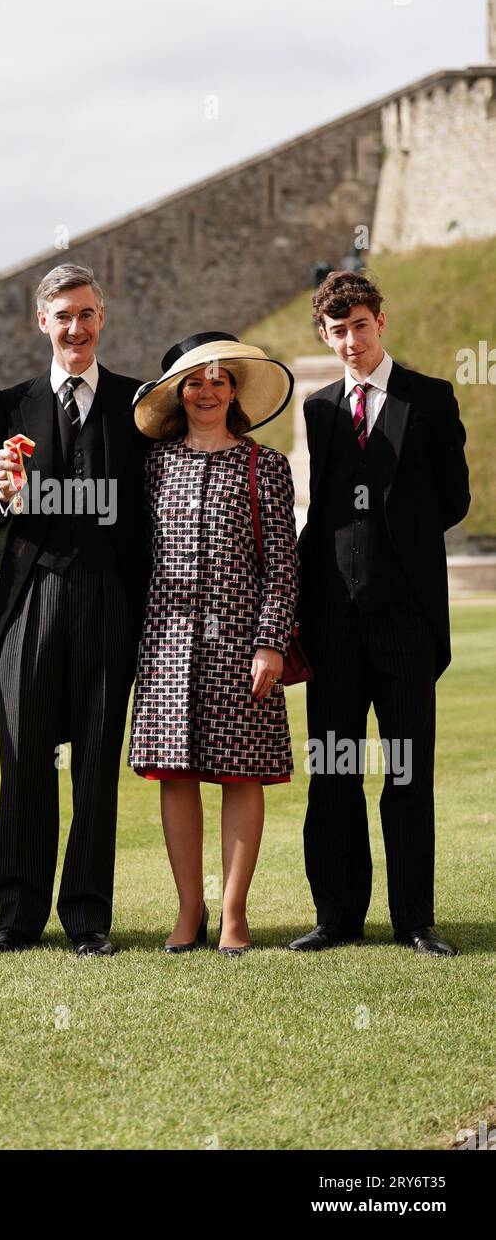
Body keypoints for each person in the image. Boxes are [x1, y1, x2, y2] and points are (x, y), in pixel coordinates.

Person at [291, 270, 470, 956]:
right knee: (333, 770)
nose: (351, 340)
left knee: (405, 771)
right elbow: (327, 505)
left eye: (360, 325)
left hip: (404, 620)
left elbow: (454, 499)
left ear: (381, 323)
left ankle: (414, 921)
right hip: (332, 619)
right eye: (337, 331)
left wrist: (398, 543)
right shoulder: (322, 408)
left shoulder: (429, 398)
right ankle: (337, 916)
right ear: (325, 336)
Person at [0, 263, 150, 955]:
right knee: (24, 761)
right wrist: (5, 496)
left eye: (85, 314)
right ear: (41, 323)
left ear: (100, 319)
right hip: (31, 601)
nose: (74, 327)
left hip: (110, 598)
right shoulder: (14, 404)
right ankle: (17, 918)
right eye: (61, 316)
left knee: (95, 765)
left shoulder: (138, 403)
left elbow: (145, 508)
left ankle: (87, 919)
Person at [128, 333, 297, 954]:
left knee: (241, 775)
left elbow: (283, 563)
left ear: (235, 391)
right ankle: (186, 909)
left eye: (219, 379)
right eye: (194, 381)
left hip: (242, 643)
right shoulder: (153, 464)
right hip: (167, 643)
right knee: (176, 776)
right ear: (177, 392)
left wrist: (271, 643)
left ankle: (233, 914)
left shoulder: (265, 465)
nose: (206, 391)